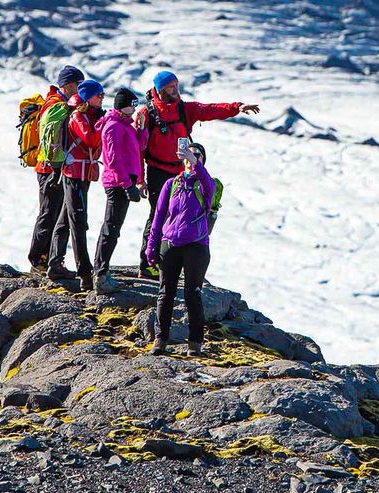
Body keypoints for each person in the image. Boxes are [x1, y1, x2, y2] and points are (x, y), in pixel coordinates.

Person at [135, 70, 259, 277]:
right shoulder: (146, 114)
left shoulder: (184, 109)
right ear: (160, 89)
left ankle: (167, 263)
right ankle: (147, 263)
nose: (176, 90)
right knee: (157, 216)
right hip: (157, 172)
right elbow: (138, 149)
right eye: (171, 87)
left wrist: (237, 108)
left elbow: (209, 110)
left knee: (179, 217)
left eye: (176, 85)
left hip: (182, 173)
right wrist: (140, 180)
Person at [144, 142, 215, 355]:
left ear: (203, 160)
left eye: (197, 155)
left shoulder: (206, 184)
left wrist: (197, 165)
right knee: (165, 294)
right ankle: (160, 340)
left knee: (192, 294)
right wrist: (151, 247)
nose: (192, 157)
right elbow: (158, 217)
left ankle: (195, 344)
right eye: (189, 154)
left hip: (196, 247)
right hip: (170, 244)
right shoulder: (171, 184)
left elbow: (209, 184)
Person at [47, 78, 105, 289]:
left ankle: (54, 263)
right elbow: (90, 140)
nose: (102, 99)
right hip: (74, 175)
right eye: (99, 95)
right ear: (89, 96)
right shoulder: (78, 116)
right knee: (78, 222)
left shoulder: (88, 114)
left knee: (66, 218)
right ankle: (85, 273)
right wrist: (102, 123)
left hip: (81, 174)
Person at [28, 64, 84, 273]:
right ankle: (39, 260)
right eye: (78, 84)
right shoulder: (57, 105)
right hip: (50, 168)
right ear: (67, 85)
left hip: (53, 167)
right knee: (49, 213)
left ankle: (49, 259)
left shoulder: (58, 102)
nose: (81, 88)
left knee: (55, 213)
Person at [93, 87, 148, 293]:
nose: (135, 109)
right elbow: (113, 161)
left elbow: (140, 146)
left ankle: (102, 272)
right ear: (123, 106)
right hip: (117, 184)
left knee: (113, 228)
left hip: (124, 182)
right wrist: (127, 186)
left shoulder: (125, 125)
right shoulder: (113, 127)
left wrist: (141, 128)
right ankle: (100, 274)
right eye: (132, 105)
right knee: (111, 228)